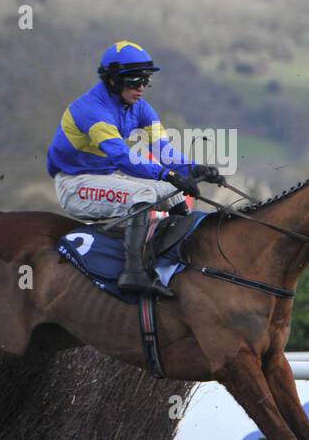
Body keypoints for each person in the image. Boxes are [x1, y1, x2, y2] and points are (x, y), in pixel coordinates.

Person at [46, 40, 223, 297]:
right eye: (134, 81)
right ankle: (133, 273)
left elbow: (165, 152)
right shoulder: (91, 110)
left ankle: (182, 253)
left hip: (106, 177)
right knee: (145, 194)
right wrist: (169, 174)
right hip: (75, 185)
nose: (141, 88)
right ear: (113, 80)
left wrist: (195, 169)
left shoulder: (141, 108)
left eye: (146, 80)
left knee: (170, 191)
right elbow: (122, 157)